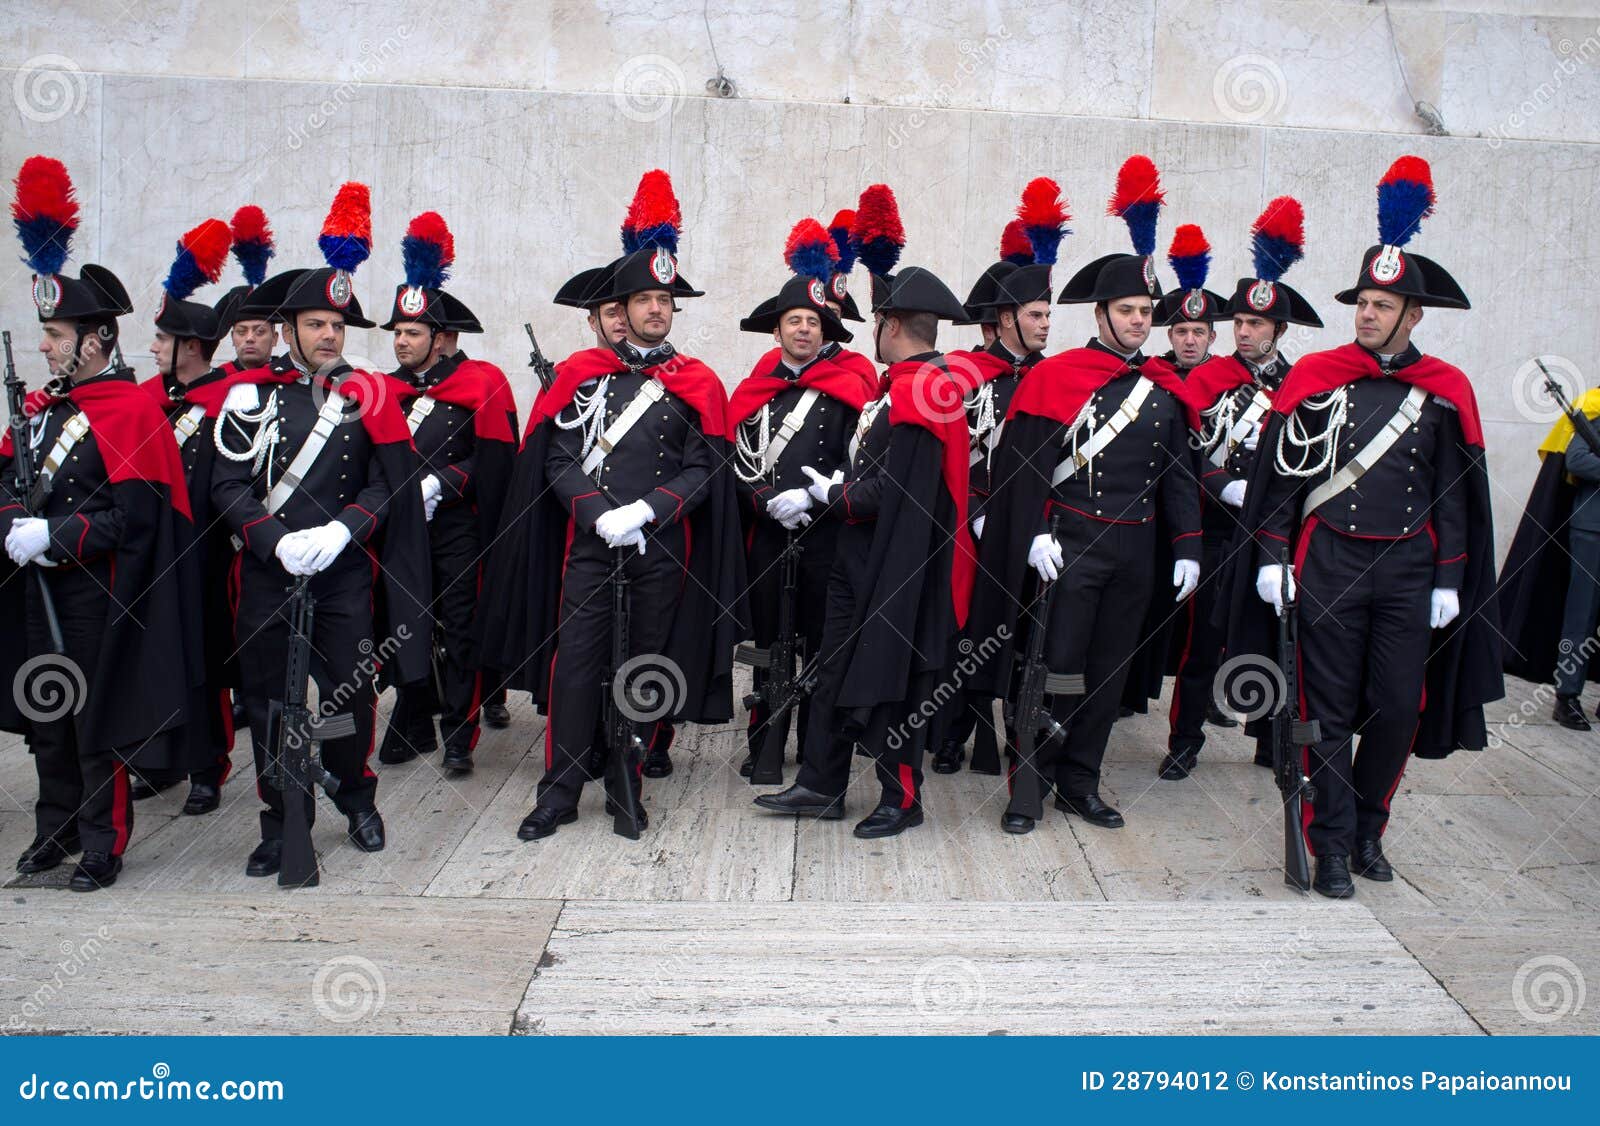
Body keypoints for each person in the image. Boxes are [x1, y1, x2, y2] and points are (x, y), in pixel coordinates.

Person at [1223, 156, 1502, 898]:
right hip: (1329, 565)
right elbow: (1284, 478)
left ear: (1415, 316)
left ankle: (1372, 827)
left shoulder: (1444, 392)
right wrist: (1273, 555)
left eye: (1384, 305)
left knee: (1397, 705)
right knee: (1328, 711)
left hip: (1410, 571)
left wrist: (1450, 579)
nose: (1368, 315)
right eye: (1363, 303)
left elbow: (1454, 496)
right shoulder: (1318, 378)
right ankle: (1332, 844)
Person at [481, 170, 747, 840]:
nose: (655, 309)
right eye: (643, 299)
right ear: (619, 310)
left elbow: (704, 470)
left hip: (662, 546)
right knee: (576, 664)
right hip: (591, 543)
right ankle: (560, 788)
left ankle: (628, 780)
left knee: (645, 664)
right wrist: (598, 511)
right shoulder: (579, 374)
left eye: (664, 299)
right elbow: (556, 456)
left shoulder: (698, 382)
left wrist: (649, 510)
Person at [966, 155, 1202, 834]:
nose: (1138, 321)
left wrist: (1186, 545)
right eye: (1127, 310)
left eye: (1145, 311)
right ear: (1100, 313)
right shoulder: (1057, 377)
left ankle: (1082, 783)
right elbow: (1019, 468)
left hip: (1137, 548)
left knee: (1106, 676)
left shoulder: (1163, 384)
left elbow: (1178, 472)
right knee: (1049, 670)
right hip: (1069, 542)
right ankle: (1026, 788)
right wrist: (1034, 529)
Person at [209, 182, 433, 877]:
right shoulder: (250, 395)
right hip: (271, 574)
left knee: (350, 696)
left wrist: (343, 532)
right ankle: (282, 819)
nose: (329, 334)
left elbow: (384, 484)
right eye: (316, 324)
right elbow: (225, 486)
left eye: (338, 325)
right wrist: (271, 537)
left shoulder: (369, 395)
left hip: (340, 573)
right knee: (272, 704)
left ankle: (356, 794)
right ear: (289, 330)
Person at [1, 155, 208, 891]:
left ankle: (101, 840)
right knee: (44, 718)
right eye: (45, 334)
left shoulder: (132, 411)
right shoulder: (43, 410)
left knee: (92, 725)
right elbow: (7, 481)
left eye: (57, 334)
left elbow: (136, 519)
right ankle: (51, 830)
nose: (46, 347)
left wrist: (54, 539)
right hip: (36, 590)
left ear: (96, 339)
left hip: (99, 596)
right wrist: (12, 526)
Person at [754, 184, 977, 839]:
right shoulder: (899, 389)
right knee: (833, 669)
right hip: (861, 557)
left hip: (900, 566)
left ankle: (900, 797)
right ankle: (821, 785)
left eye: (876, 322)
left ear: (892, 325)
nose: (868, 333)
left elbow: (892, 496)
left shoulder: (926, 392)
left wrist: (824, 493)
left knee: (895, 681)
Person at [1156, 203, 1320, 779]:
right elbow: (1182, 459)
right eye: (1240, 325)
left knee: (1274, 640)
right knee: (1203, 643)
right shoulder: (1207, 379)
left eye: (1258, 326)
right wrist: (1224, 487)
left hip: (1276, 534)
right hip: (1219, 530)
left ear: (1279, 330)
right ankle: (1184, 739)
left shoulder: (1303, 385)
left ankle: (1269, 740)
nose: (1245, 333)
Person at [375, 211, 517, 774]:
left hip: (460, 528)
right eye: (399, 332)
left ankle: (460, 730)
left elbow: (497, 463)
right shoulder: (384, 389)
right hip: (399, 529)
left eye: (413, 332)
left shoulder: (481, 381)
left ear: (443, 338)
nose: (403, 341)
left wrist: (443, 481)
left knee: (459, 628)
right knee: (403, 624)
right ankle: (413, 713)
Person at [730, 218, 871, 778]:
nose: (804, 331)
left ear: (825, 330)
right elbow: (735, 455)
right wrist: (767, 500)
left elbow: (858, 456)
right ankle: (762, 741)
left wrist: (811, 501)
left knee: (819, 644)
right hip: (768, 534)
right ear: (777, 330)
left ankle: (816, 745)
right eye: (795, 321)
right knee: (768, 645)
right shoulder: (755, 386)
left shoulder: (850, 386)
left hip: (824, 534)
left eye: (814, 322)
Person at [932, 183, 1065, 776]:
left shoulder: (1057, 379)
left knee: (1022, 636)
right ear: (1005, 319)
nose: (1044, 325)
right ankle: (949, 731)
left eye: (1047, 314)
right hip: (971, 524)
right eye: (1035, 314)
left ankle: (1014, 738)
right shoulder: (970, 375)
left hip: (1030, 531)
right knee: (964, 632)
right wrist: (978, 507)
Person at [132, 217, 242, 815]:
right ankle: (160, 757)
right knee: (156, 657)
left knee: (204, 664)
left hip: (204, 553)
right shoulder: (149, 401)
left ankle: (207, 766)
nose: (152, 350)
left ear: (190, 347)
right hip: (150, 552)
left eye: (161, 340)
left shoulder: (226, 401)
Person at [1499, 387, 1600, 730]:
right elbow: (1578, 460)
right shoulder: (1594, 405)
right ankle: (1567, 696)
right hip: (1593, 529)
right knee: (1582, 614)